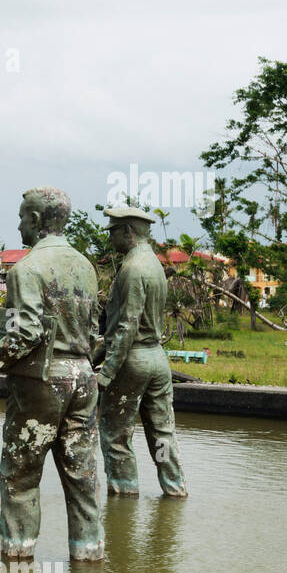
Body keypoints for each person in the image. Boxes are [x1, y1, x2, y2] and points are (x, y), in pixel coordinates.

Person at [0, 187, 103, 562]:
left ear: (37, 221)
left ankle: (18, 559)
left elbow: (25, 333)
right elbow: (91, 331)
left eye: (23, 216)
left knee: (20, 475)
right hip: (84, 377)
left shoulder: (27, 269)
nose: (19, 224)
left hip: (43, 382)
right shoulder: (85, 267)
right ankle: (88, 555)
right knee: (83, 476)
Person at [94, 206, 188, 498]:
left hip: (132, 362)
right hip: (157, 359)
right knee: (162, 433)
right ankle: (173, 488)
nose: (111, 239)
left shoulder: (132, 269)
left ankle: (124, 496)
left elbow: (128, 324)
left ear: (128, 232)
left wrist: (106, 373)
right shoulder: (154, 265)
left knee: (116, 435)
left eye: (113, 232)